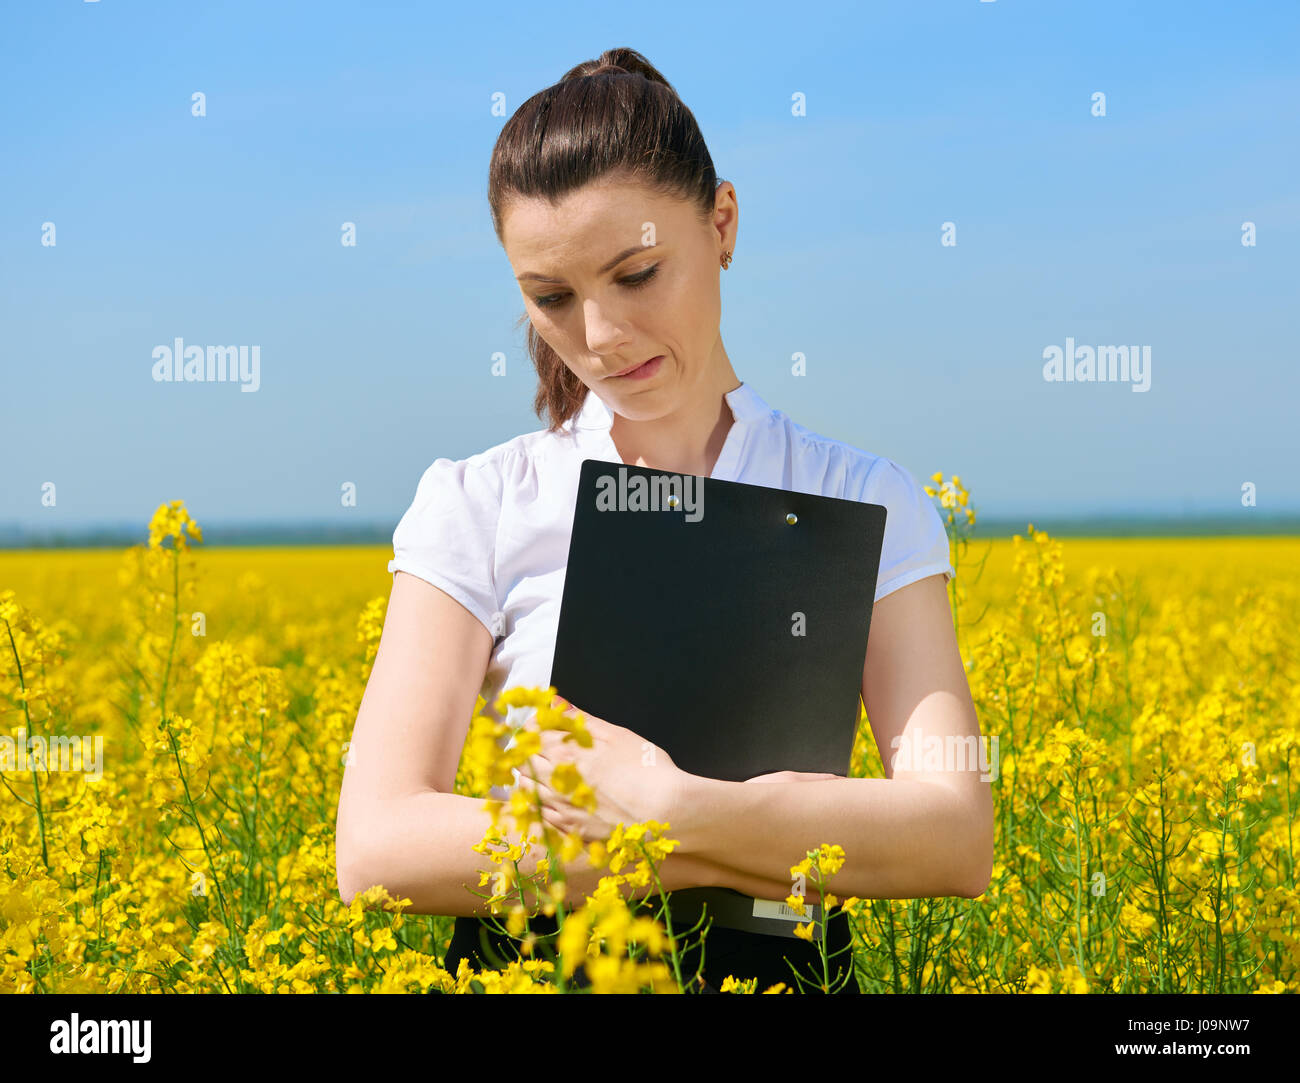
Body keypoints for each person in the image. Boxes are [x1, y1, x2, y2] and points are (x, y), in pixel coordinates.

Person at [335, 47, 994, 995]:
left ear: (722, 222)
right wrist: (758, 839)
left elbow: (955, 835)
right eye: (551, 298)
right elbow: (376, 847)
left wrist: (663, 810)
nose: (600, 338)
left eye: (638, 273)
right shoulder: (477, 503)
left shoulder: (866, 500)